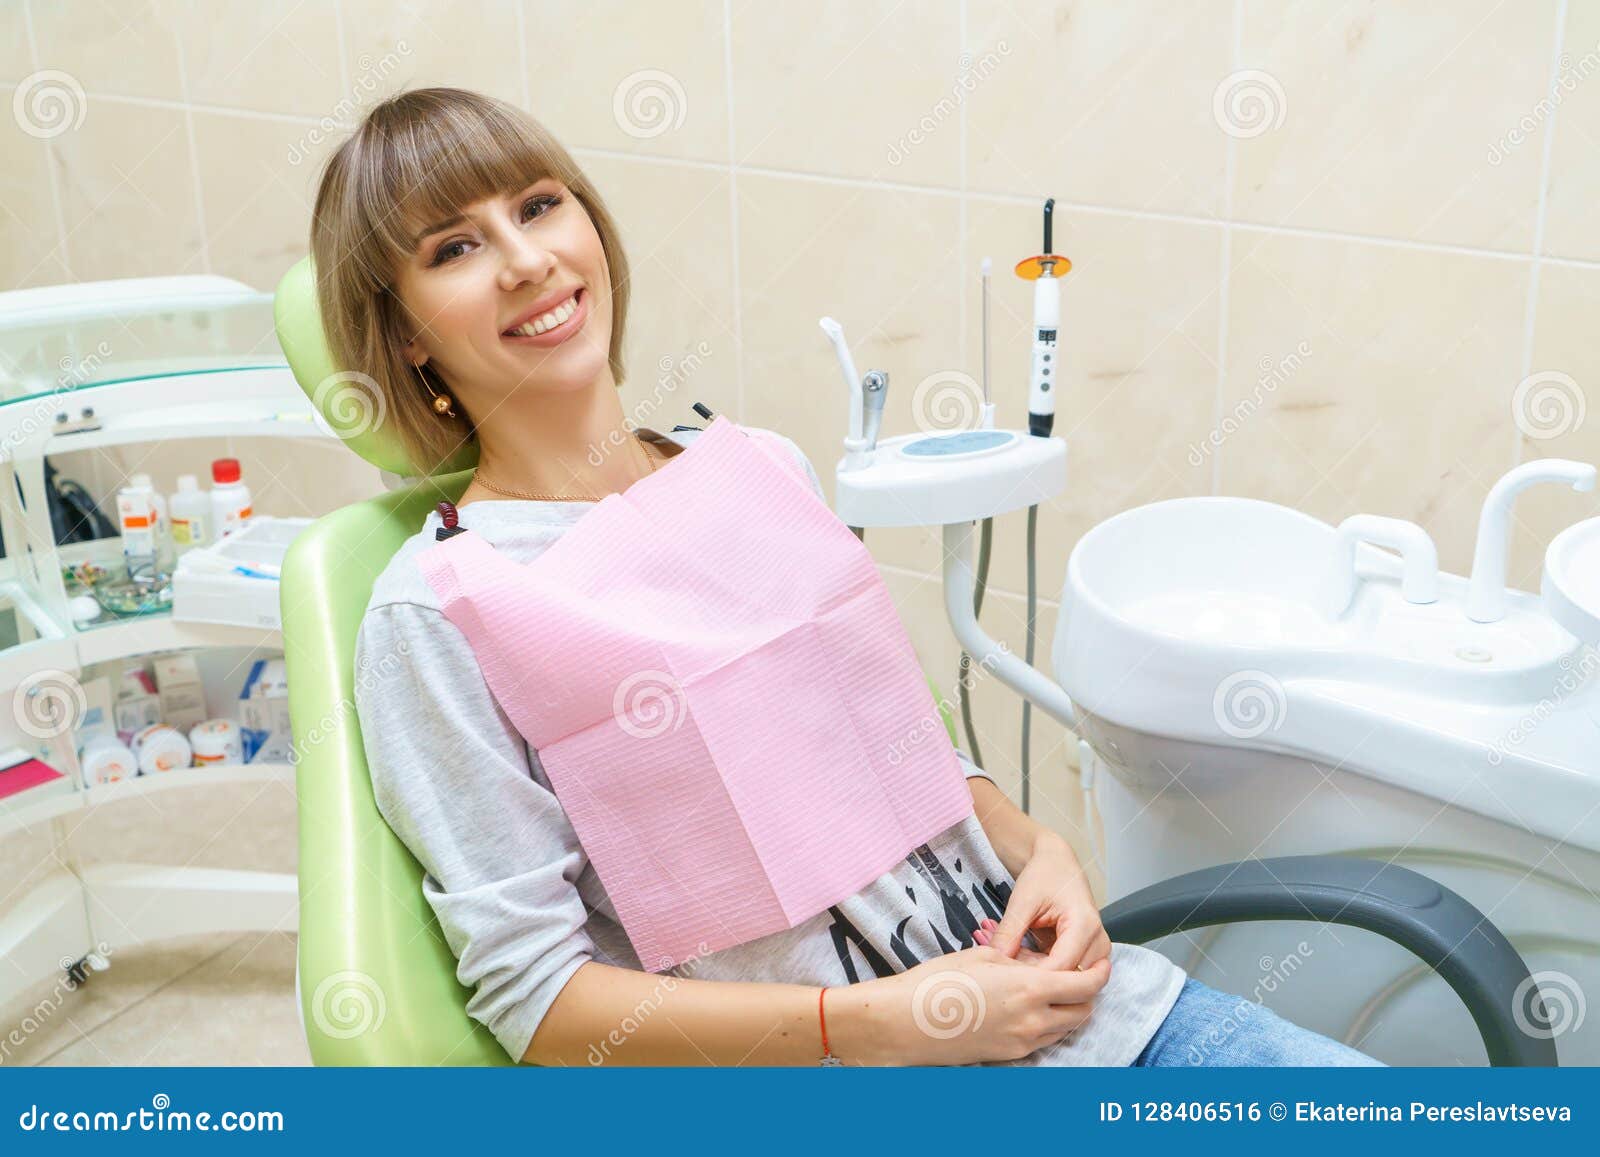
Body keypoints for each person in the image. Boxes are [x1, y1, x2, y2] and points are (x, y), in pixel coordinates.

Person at [313, 87, 1380, 1068]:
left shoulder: (759, 467)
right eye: (455, 247)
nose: (525, 260)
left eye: (540, 206)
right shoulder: (441, 610)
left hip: (1102, 1016)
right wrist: (874, 1020)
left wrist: (1038, 845)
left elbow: (897, 749)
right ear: (403, 334)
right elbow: (538, 999)